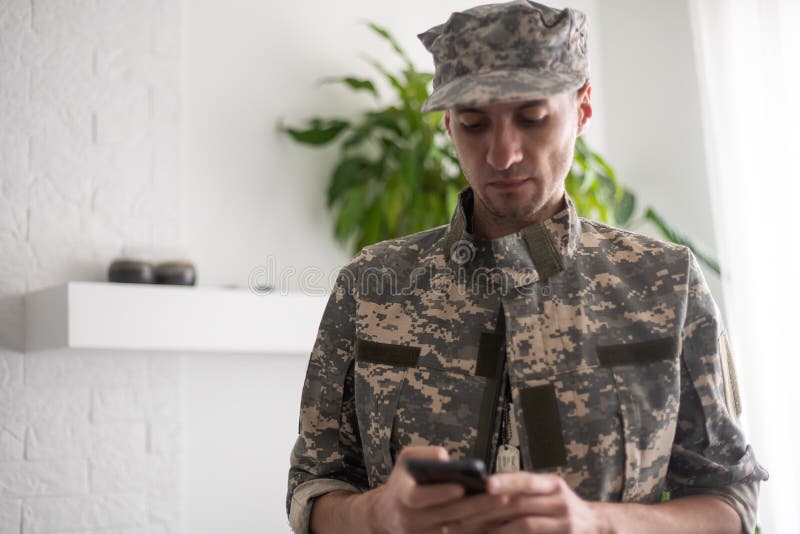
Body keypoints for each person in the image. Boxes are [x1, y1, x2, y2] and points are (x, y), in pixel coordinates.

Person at [287, 1, 767, 532]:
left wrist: (596, 524)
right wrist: (377, 513)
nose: (502, 154)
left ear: (582, 110)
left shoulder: (667, 284)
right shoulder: (370, 285)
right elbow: (315, 486)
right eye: (474, 124)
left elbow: (730, 498)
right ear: (448, 124)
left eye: (532, 118)